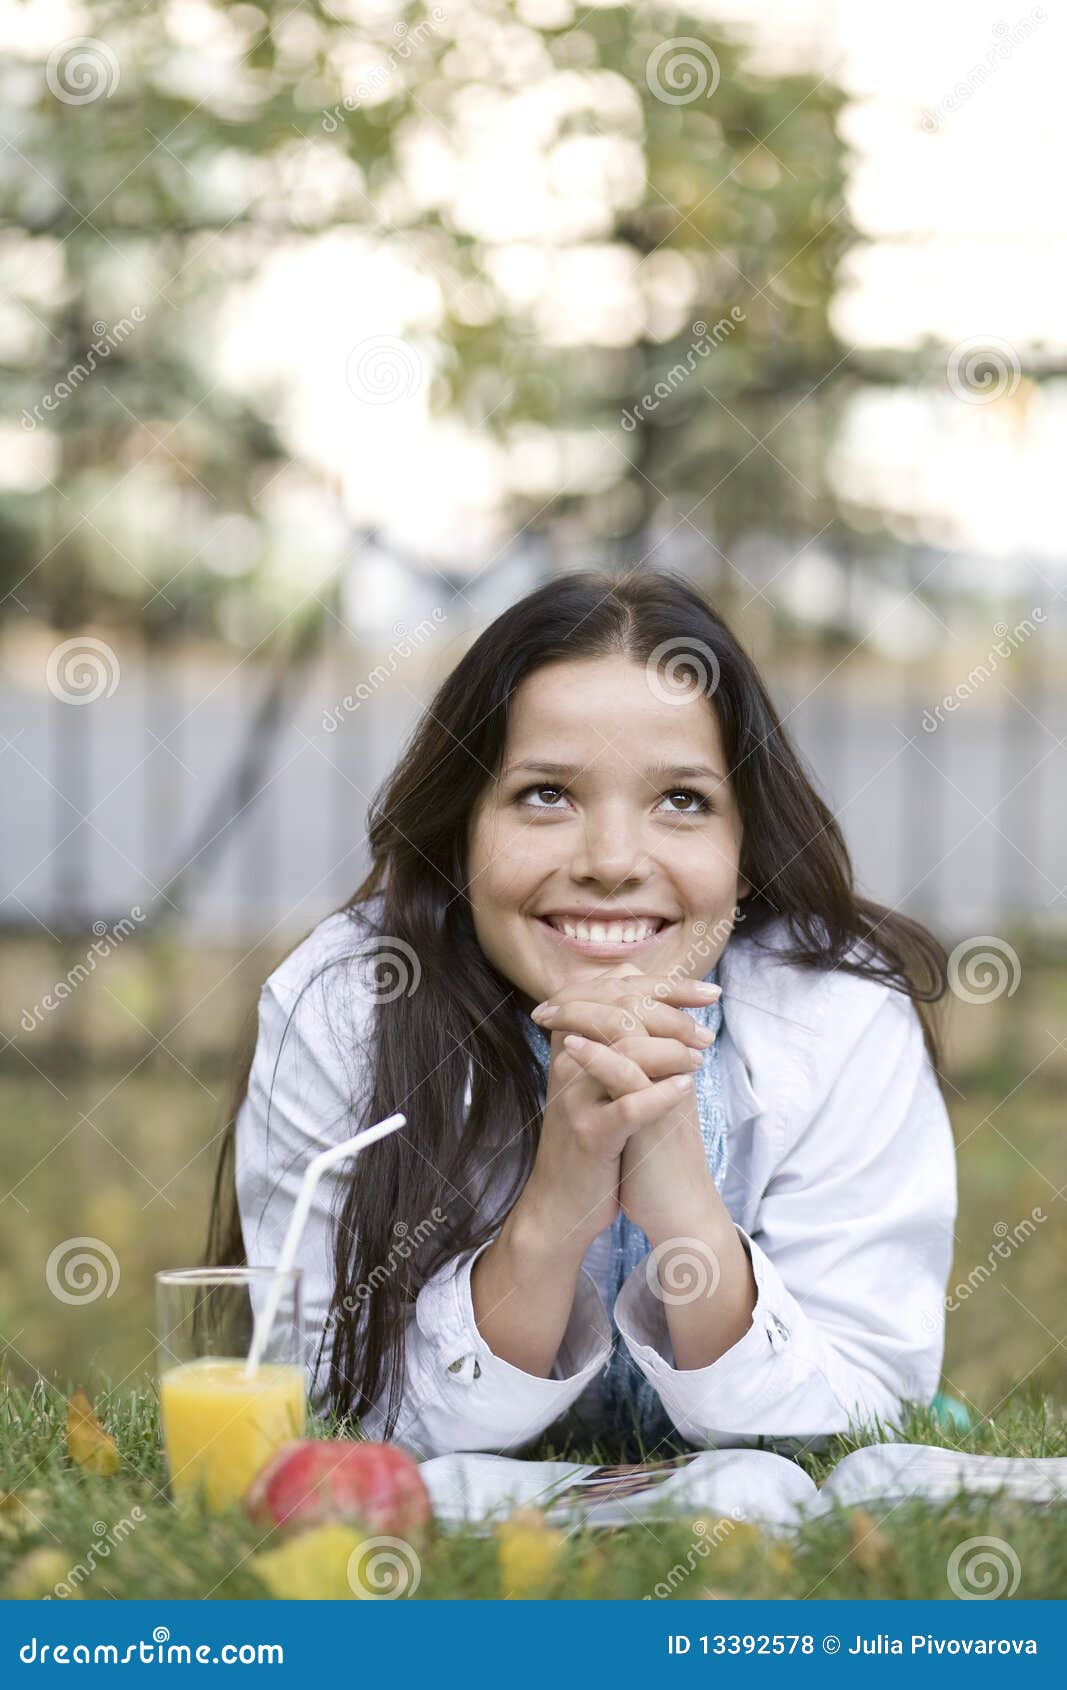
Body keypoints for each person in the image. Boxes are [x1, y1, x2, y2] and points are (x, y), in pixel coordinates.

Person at [206, 568, 957, 1463]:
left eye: (682, 800)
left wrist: (679, 1189)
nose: (609, 861)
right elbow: (335, 1405)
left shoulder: (837, 1014)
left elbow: (858, 1403)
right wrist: (557, 1202)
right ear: (459, 836)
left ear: (745, 852)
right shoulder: (343, 1007)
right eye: (545, 794)